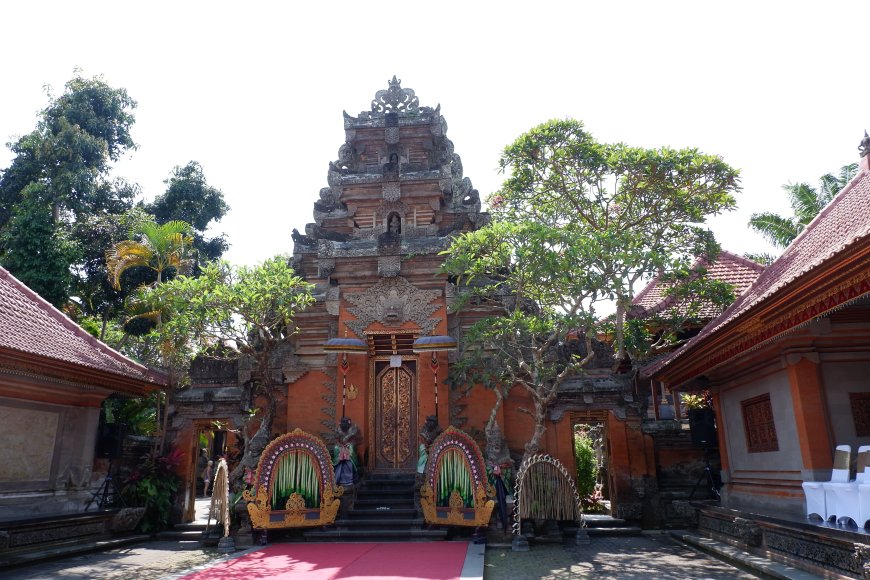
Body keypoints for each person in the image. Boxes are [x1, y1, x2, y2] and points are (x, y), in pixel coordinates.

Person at [333, 417, 360, 486]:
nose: (344, 425)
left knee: (351, 449)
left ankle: (350, 478)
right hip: (340, 446)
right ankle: (337, 478)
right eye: (343, 423)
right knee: (336, 448)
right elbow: (336, 440)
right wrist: (340, 445)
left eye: (346, 423)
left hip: (349, 445)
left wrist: (348, 442)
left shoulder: (353, 429)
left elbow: (355, 440)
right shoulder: (338, 429)